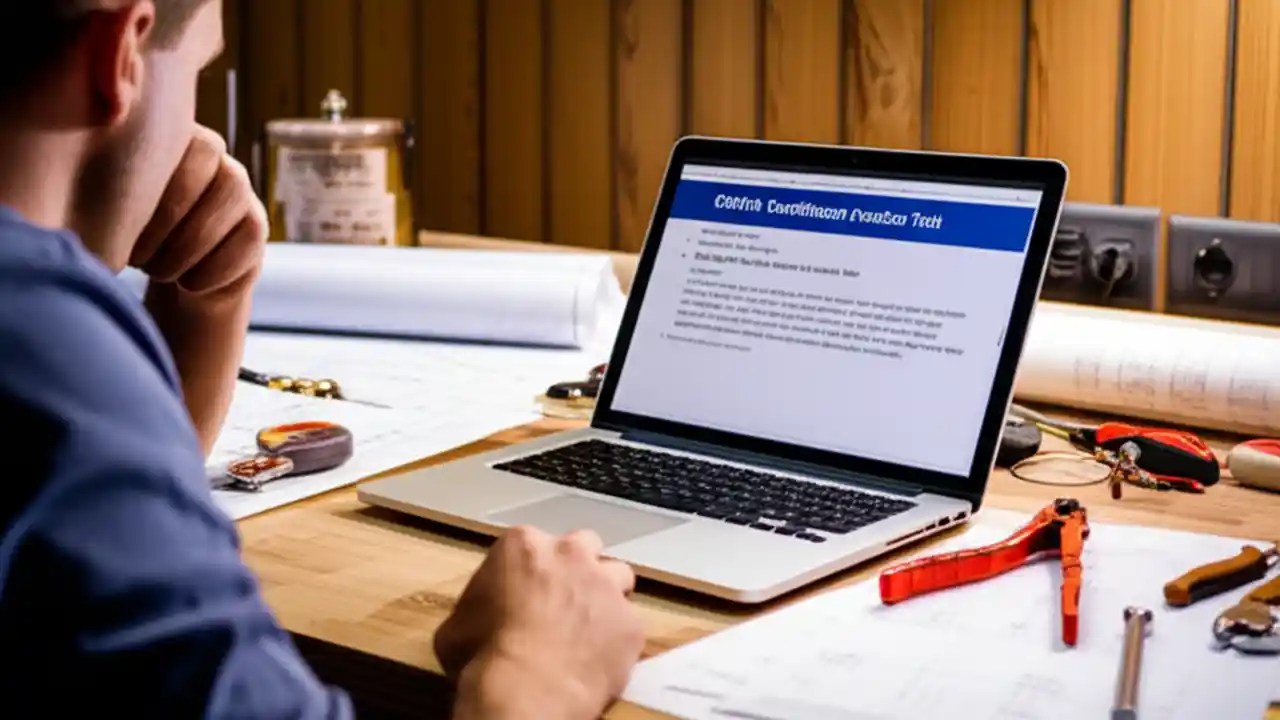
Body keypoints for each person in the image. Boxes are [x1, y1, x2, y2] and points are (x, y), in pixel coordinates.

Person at [0, 1, 644, 717]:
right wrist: (537, 671)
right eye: (195, 75)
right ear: (120, 55)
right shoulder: (40, 327)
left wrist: (206, 305)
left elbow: (91, 529)